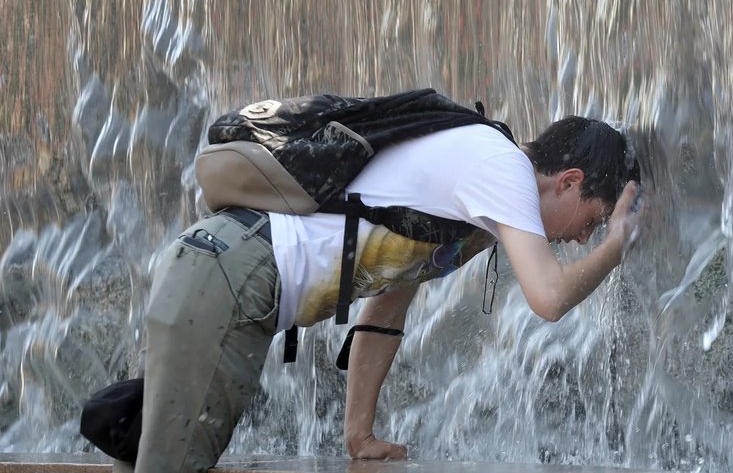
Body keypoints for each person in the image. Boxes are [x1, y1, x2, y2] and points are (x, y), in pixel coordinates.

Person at [116, 111, 640, 472]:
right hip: (230, 274)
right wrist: (614, 247)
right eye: (593, 220)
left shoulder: (480, 210)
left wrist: (359, 433)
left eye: (596, 232)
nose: (581, 238)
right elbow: (548, 298)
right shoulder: (500, 167)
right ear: (569, 181)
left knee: (160, 452)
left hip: (230, 283)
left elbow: (386, 304)